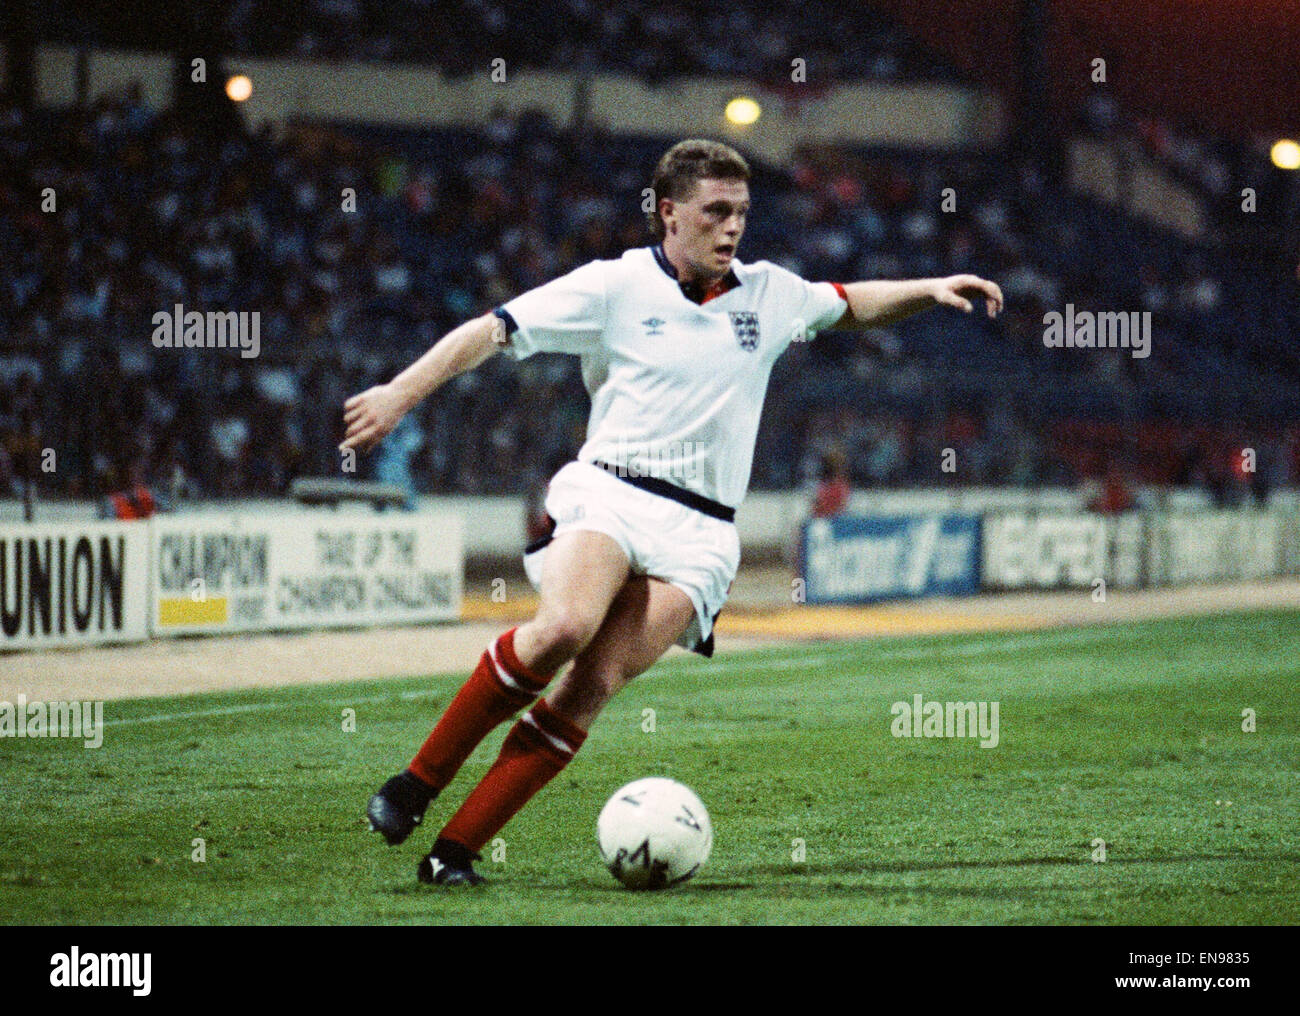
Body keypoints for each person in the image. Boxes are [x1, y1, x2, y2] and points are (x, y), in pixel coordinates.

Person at [339, 139, 1003, 886]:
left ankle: (452, 854)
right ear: (668, 212)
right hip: (611, 493)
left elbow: (851, 304)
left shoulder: (769, 293)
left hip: (703, 533)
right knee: (562, 628)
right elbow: (491, 331)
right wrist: (401, 392)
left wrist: (931, 285)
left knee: (589, 688)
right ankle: (418, 783)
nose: (732, 228)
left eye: (742, 213)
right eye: (716, 212)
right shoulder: (614, 285)